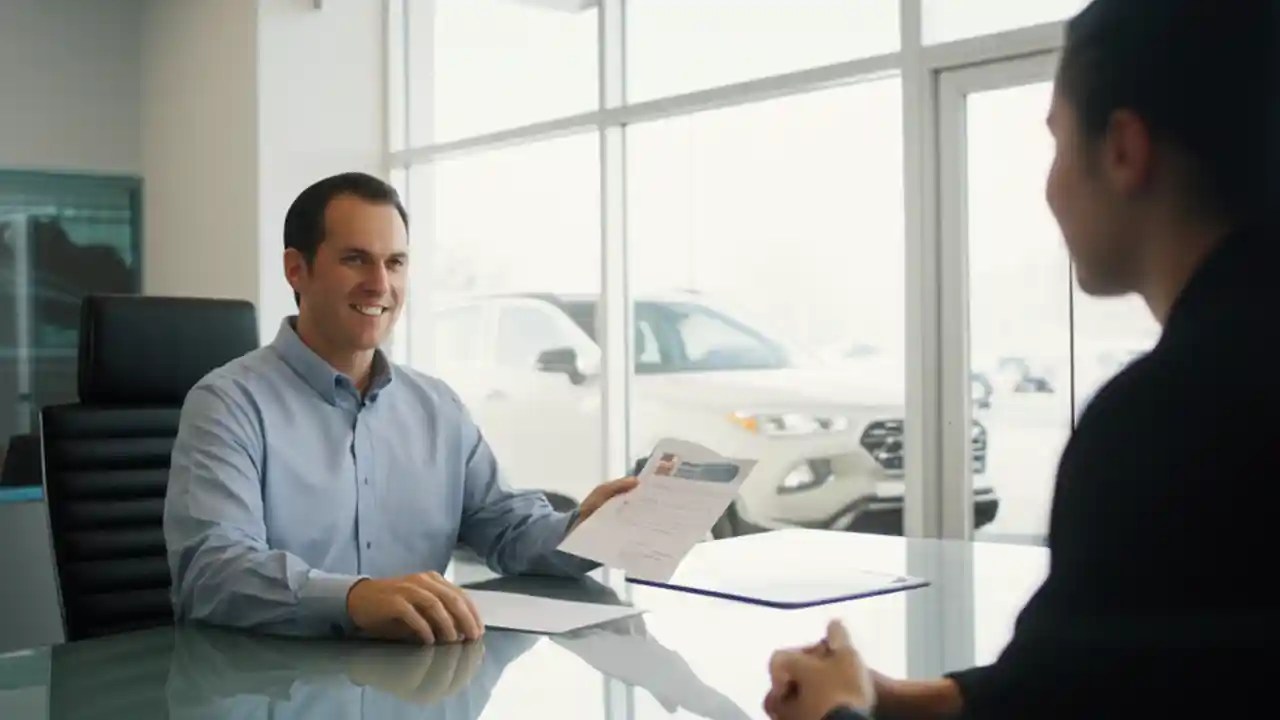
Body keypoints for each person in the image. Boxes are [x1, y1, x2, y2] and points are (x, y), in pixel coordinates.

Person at [764, 1, 1279, 718]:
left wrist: (835, 714)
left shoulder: (1167, 426)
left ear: (1124, 149)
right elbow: (1089, 683)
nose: (1051, 186)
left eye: (1058, 142)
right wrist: (884, 697)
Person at [164, 172, 637, 644]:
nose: (379, 284)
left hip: (418, 685)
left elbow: (510, 532)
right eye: (355, 259)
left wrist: (589, 530)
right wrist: (354, 599)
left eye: (395, 263)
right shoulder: (228, 405)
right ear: (296, 269)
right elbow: (212, 571)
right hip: (271, 689)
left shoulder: (436, 407)